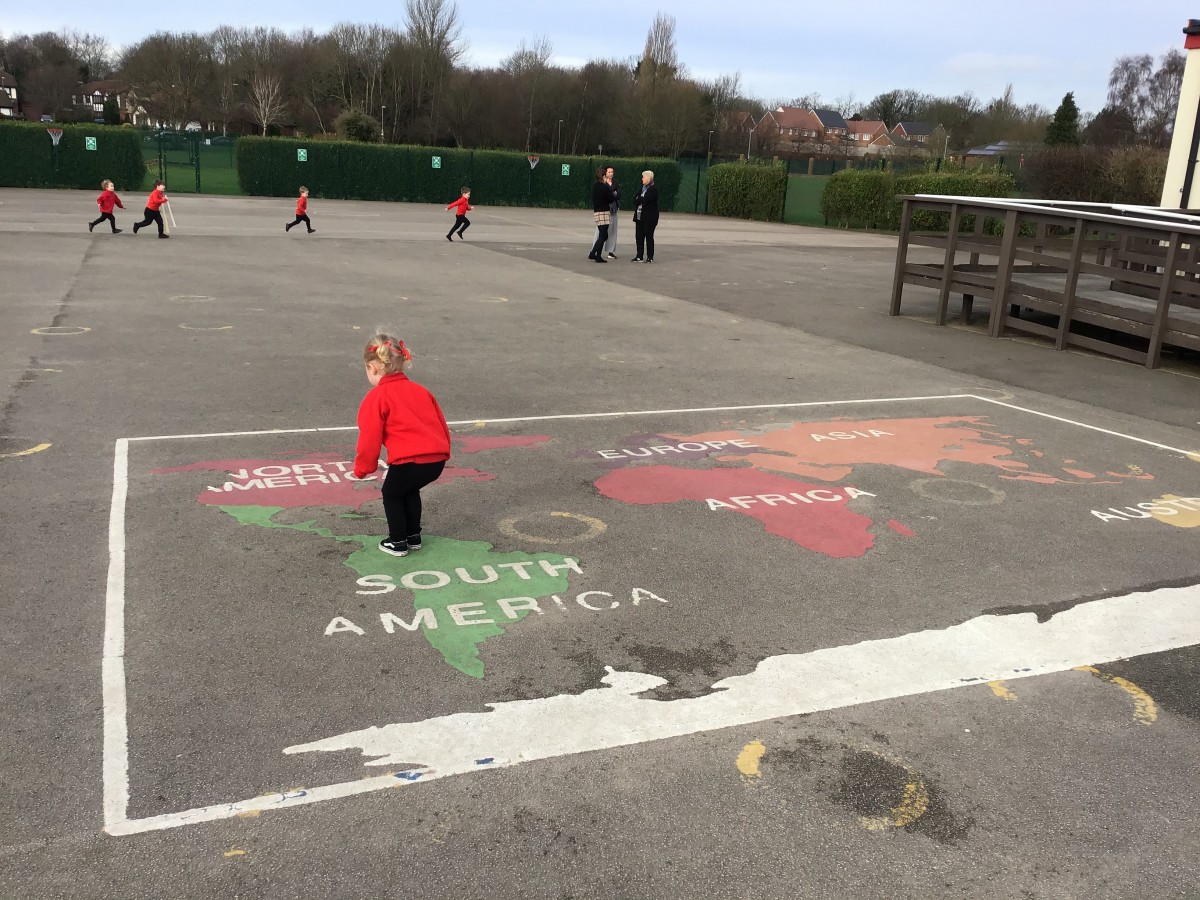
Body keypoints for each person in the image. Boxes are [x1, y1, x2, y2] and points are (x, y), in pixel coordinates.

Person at [354, 332, 452, 557]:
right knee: (409, 489)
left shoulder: (377, 396)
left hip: (410, 461)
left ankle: (397, 540)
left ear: (373, 368)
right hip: (435, 460)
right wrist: (444, 451)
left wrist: (363, 467)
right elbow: (440, 422)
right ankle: (413, 535)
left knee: (391, 493)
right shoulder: (421, 391)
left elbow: (369, 438)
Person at [631, 170, 659, 263]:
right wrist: (639, 199)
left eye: (643, 177)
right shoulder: (642, 188)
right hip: (639, 216)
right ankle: (639, 256)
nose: (642, 179)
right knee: (639, 237)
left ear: (649, 179)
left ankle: (650, 257)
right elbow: (635, 199)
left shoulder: (653, 189)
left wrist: (639, 199)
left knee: (649, 236)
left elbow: (645, 200)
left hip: (649, 217)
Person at [588, 166, 615, 263]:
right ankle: (594, 253)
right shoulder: (605, 187)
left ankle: (596, 255)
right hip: (604, 211)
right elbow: (611, 199)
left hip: (597, 211)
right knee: (604, 235)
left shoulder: (595, 186)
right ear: (603, 176)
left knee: (601, 234)